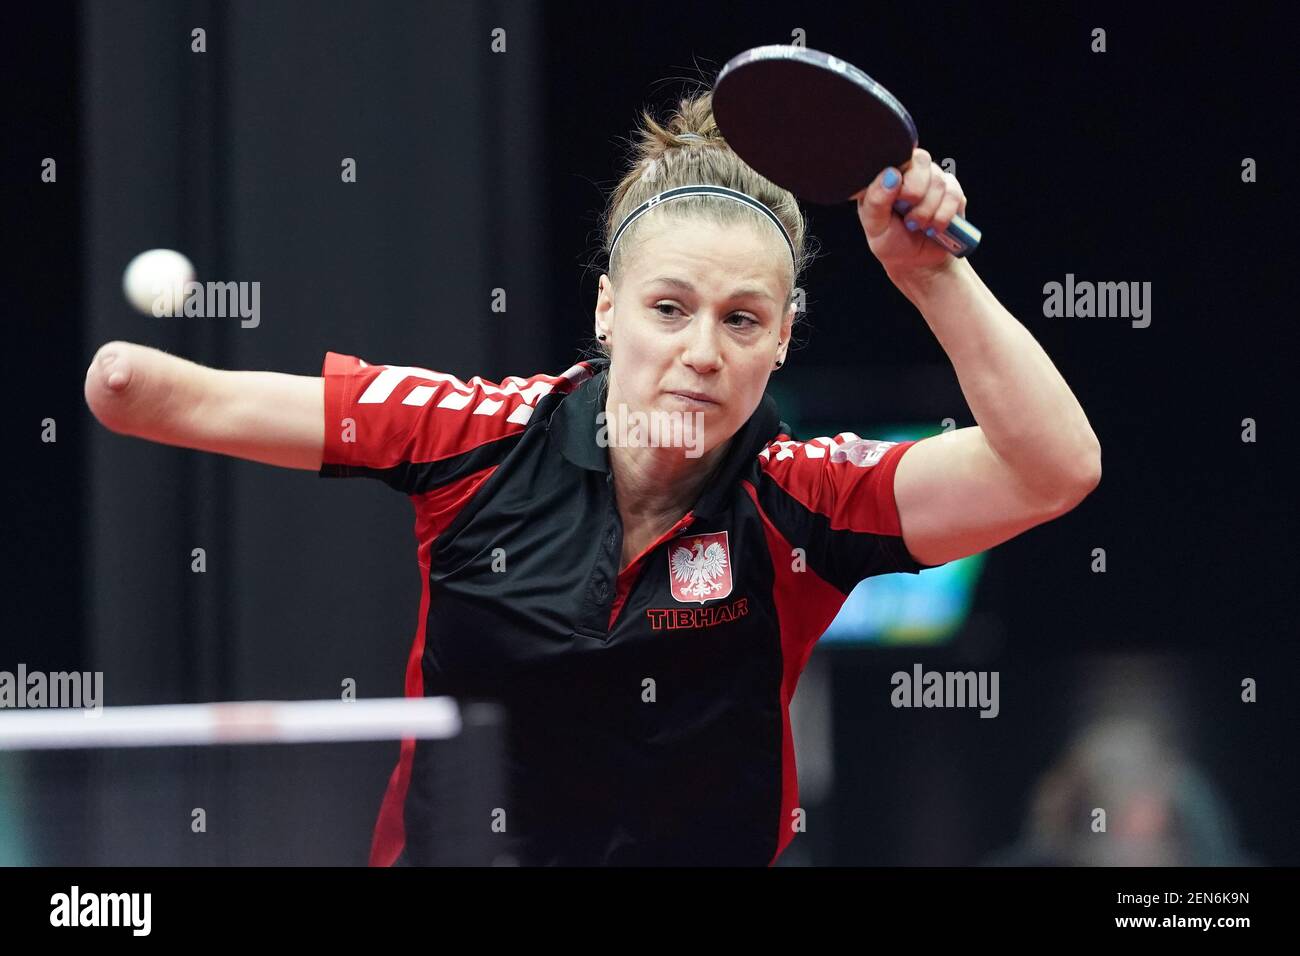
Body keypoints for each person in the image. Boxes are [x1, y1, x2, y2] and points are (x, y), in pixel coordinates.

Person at [84, 92, 1100, 866]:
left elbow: (1053, 467)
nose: (702, 350)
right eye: (669, 307)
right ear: (608, 310)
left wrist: (934, 275)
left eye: (742, 319)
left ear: (783, 340)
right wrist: (124, 377)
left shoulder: (802, 496)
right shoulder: (472, 435)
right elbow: (162, 397)